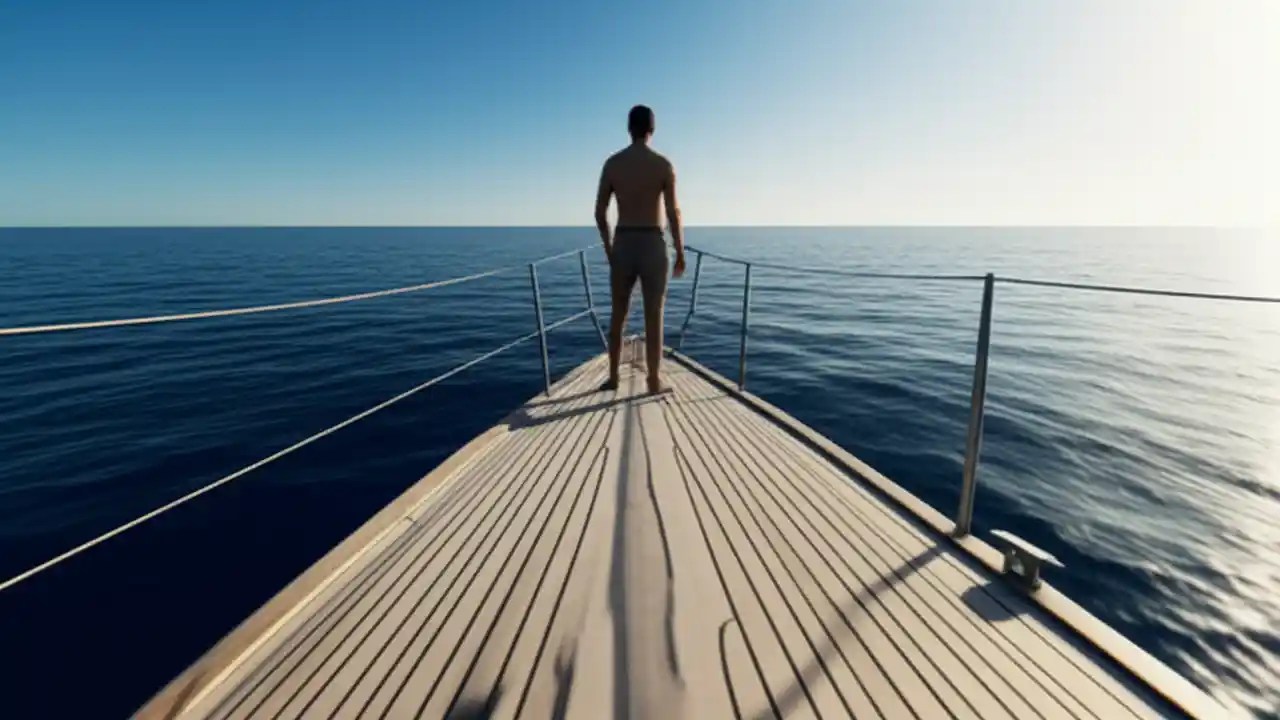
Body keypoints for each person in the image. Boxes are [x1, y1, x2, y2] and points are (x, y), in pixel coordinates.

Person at [595, 104, 686, 394]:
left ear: (628, 128)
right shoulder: (663, 165)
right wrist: (680, 252)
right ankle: (654, 380)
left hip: (623, 242)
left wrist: (610, 248)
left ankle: (612, 377)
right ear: (652, 129)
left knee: (618, 314)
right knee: (654, 315)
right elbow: (673, 213)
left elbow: (599, 212)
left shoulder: (612, 164)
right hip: (653, 244)